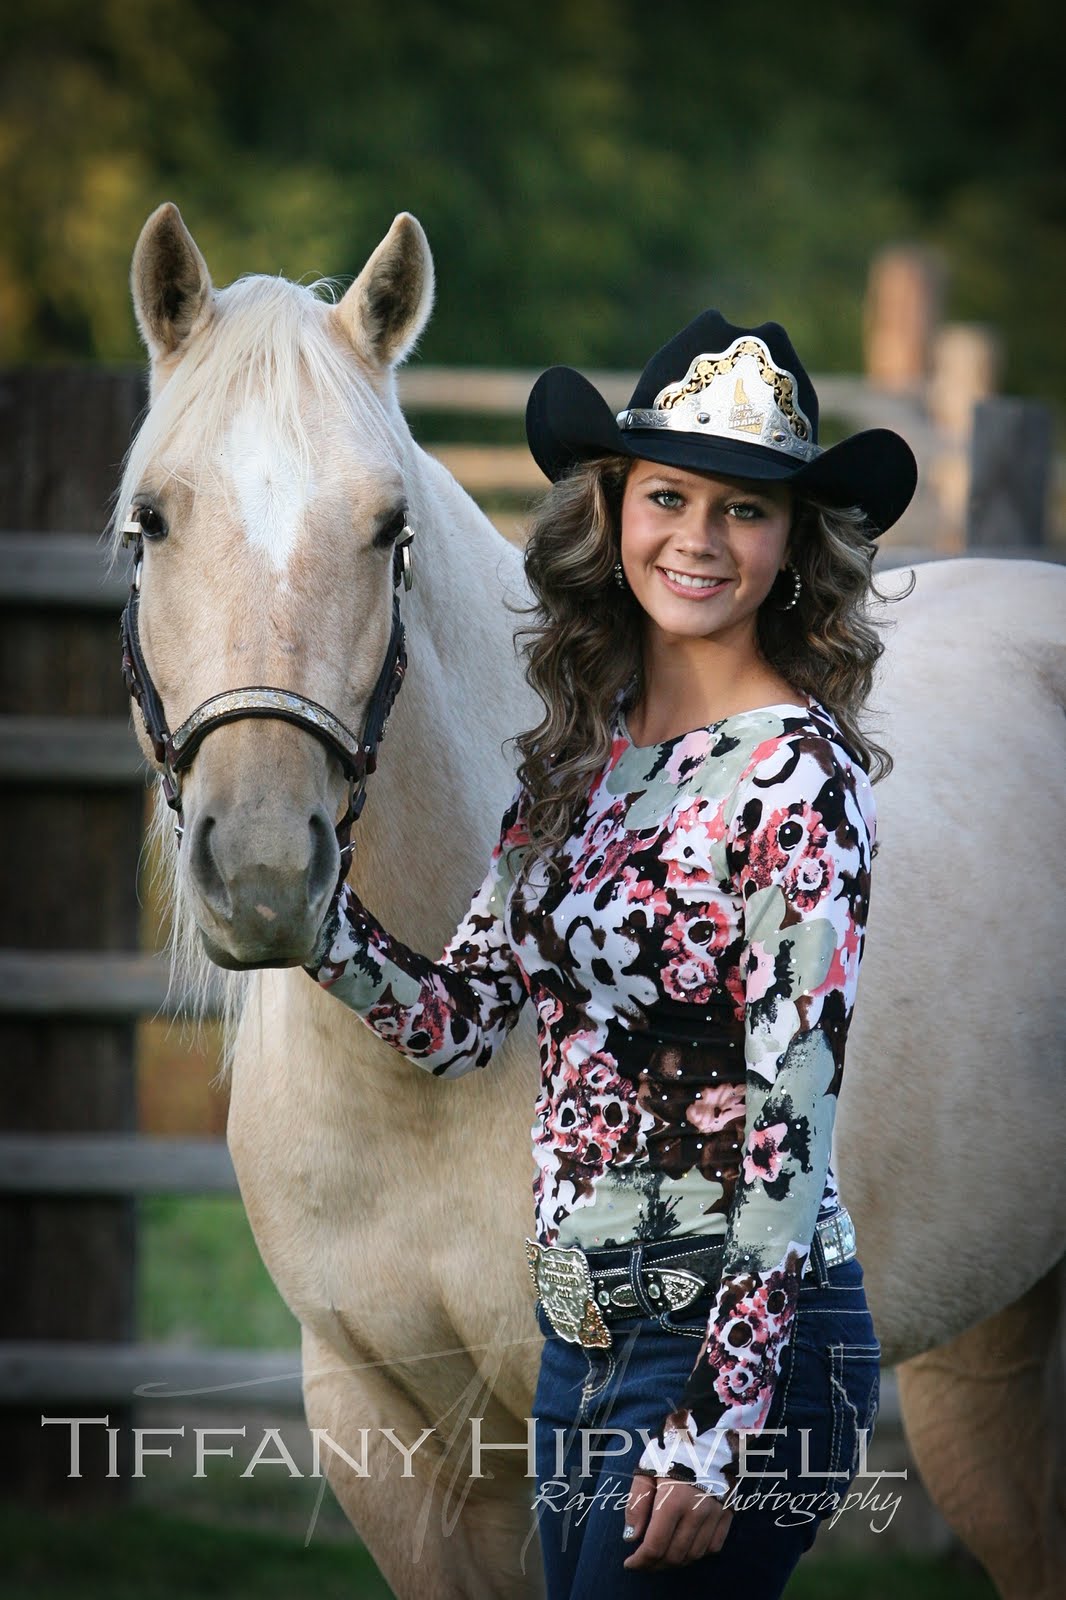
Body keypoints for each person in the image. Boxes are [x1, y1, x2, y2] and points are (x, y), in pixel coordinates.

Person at [305, 310, 917, 1598]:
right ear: (615, 510)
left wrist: (718, 1426)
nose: (700, 539)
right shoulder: (582, 757)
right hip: (580, 1341)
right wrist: (314, 925)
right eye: (669, 497)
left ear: (794, 543)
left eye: (746, 509)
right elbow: (463, 1023)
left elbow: (788, 1130)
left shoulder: (798, 783)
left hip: (740, 1356)